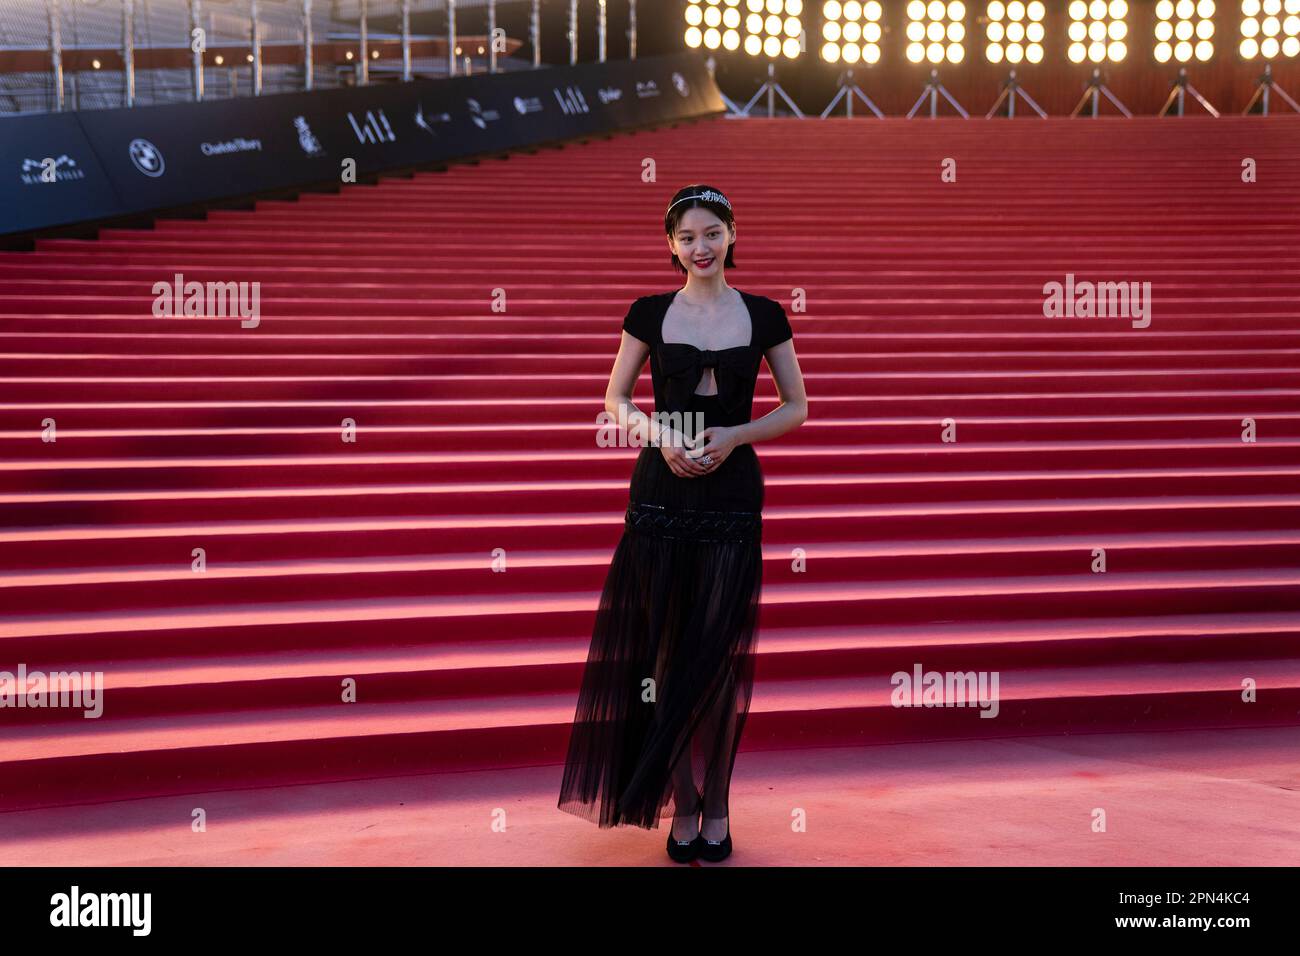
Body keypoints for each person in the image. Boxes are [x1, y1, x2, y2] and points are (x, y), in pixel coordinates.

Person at [556, 184, 808, 863]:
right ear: (671, 246)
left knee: (718, 654)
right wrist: (655, 435)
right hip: (660, 493)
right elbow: (614, 398)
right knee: (663, 655)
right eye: (687, 237)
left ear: (732, 234)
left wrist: (735, 436)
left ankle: (720, 804)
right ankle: (684, 804)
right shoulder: (646, 314)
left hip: (731, 492)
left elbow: (796, 407)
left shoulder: (764, 315)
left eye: (711, 232)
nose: (700, 246)